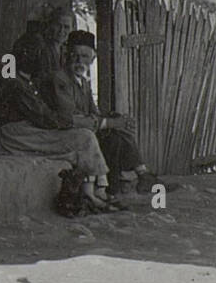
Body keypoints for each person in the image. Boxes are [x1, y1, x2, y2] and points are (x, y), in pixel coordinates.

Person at [0, 30, 116, 211]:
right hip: (14, 134)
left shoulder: (27, 80)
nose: (40, 59)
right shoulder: (13, 80)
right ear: (23, 55)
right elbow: (43, 117)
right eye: (35, 53)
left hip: (27, 130)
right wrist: (70, 122)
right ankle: (92, 194)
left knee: (81, 141)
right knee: (84, 137)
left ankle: (93, 194)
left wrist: (70, 121)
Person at [44, 30, 160, 195]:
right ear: (66, 55)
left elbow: (94, 113)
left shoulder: (83, 82)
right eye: (75, 55)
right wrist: (108, 123)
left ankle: (134, 178)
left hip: (84, 129)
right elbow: (69, 117)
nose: (79, 61)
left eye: (84, 56)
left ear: (92, 59)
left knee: (116, 127)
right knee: (113, 136)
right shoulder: (59, 79)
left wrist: (115, 121)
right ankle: (138, 176)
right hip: (66, 133)